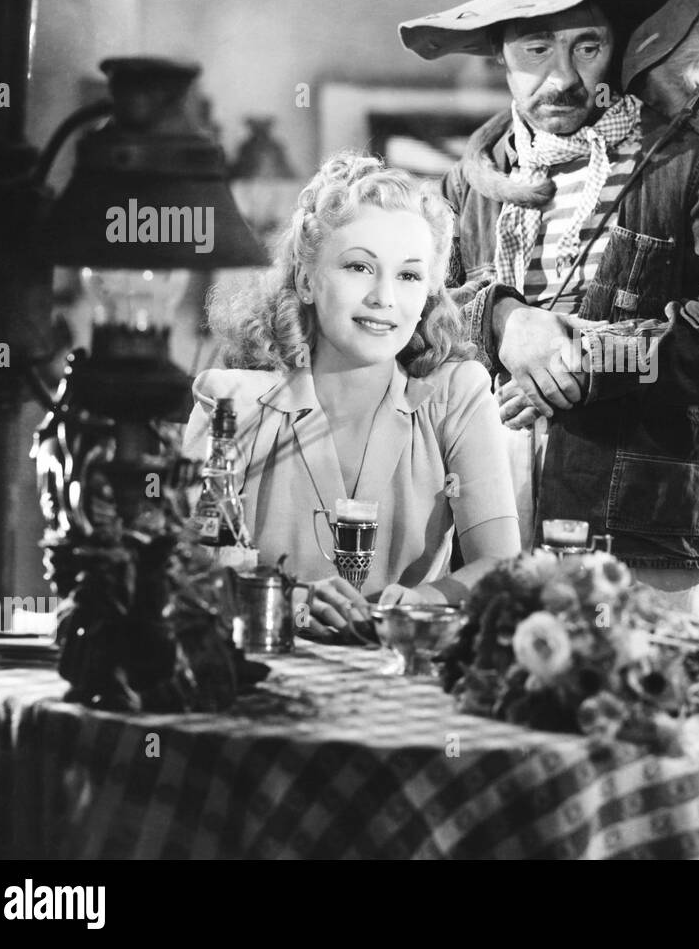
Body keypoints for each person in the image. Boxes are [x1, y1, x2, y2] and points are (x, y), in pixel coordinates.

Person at [399, 0, 699, 621]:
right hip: (490, 523)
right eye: (536, 50)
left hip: (645, 529)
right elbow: (418, 329)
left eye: (586, 46)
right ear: (498, 55)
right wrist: (505, 320)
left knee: (639, 722)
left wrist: (586, 360)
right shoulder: (469, 185)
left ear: (620, 43)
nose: (564, 77)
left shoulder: (690, 157)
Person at [183, 153, 521, 639]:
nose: (384, 297)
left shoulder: (457, 396)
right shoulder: (230, 404)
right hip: (262, 674)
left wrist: (417, 602)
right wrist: (293, 601)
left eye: (408, 275)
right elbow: (188, 572)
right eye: (360, 267)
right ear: (304, 280)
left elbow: (499, 566)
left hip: (401, 679)